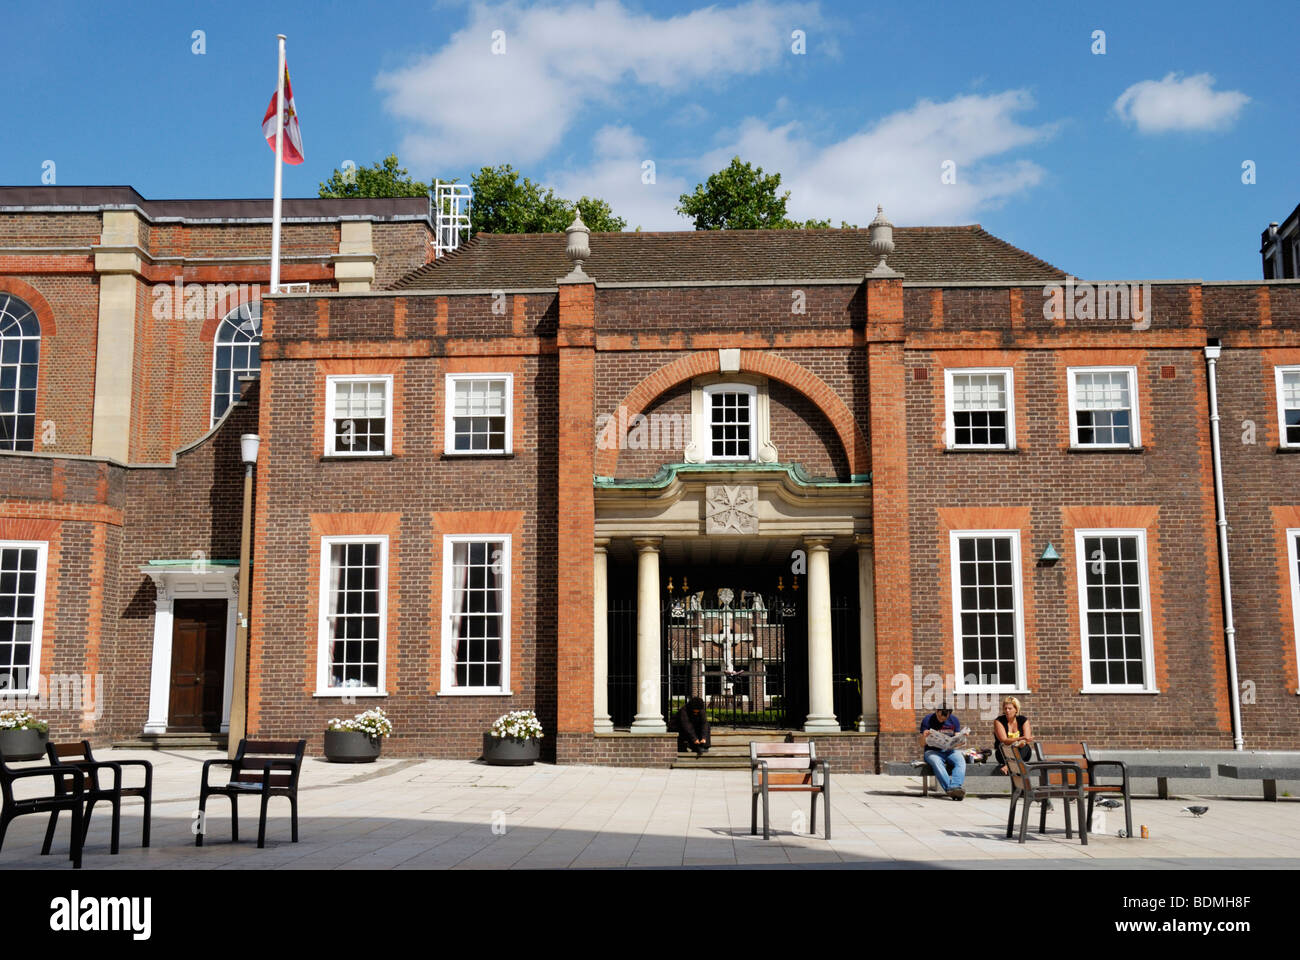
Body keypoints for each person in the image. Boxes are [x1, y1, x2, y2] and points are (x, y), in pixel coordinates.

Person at [920, 706, 966, 800]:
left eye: (944, 718)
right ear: (937, 711)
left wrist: (962, 739)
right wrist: (924, 736)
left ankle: (954, 787)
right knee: (936, 762)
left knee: (960, 760)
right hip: (932, 751)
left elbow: (957, 742)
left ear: (949, 714)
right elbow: (921, 744)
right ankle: (953, 790)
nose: (941, 720)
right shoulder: (927, 720)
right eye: (940, 717)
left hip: (949, 751)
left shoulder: (954, 720)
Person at [993, 696, 1034, 774]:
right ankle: (1012, 765)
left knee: (1026, 747)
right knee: (1003, 748)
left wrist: (1022, 743)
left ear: (1016, 709)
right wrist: (1021, 738)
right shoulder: (998, 721)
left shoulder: (1023, 720)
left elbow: (1027, 740)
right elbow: (1004, 740)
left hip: (1021, 753)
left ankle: (1008, 766)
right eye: (1005, 708)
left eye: (1010, 708)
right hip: (1004, 753)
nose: (1007, 711)